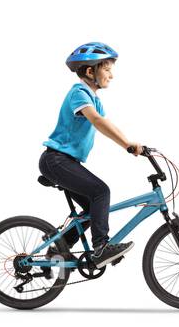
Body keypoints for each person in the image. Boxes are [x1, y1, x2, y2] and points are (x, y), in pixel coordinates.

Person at [40, 42, 144, 266]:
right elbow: (97, 121)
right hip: (55, 160)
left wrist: (132, 146)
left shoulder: (95, 100)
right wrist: (127, 144)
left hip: (63, 161)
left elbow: (105, 123)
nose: (112, 76)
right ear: (90, 71)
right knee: (101, 192)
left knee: (91, 208)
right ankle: (100, 248)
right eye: (107, 69)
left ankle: (57, 249)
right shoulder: (79, 93)